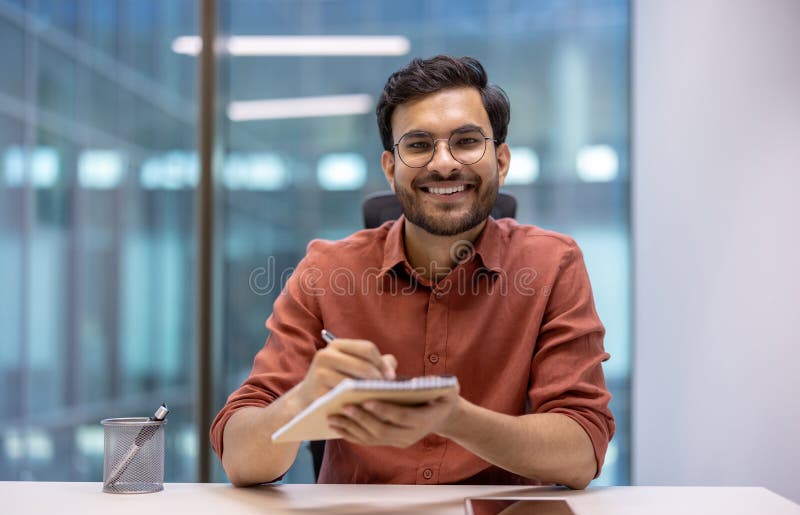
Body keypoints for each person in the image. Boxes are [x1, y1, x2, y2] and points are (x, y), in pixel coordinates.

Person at [210, 55, 614, 488]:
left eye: (465, 142)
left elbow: (581, 452)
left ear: (500, 161)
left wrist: (455, 419)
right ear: (390, 169)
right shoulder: (326, 270)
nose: (443, 164)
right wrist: (302, 400)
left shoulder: (552, 264)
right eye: (419, 145)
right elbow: (239, 459)